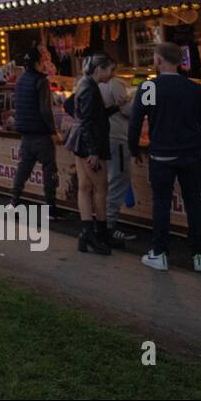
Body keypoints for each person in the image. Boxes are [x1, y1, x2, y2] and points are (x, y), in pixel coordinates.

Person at [128, 42, 201, 273]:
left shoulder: (149, 88)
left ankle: (159, 252)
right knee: (194, 202)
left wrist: (134, 150)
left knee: (162, 203)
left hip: (162, 154)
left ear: (158, 61)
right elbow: (199, 122)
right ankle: (200, 255)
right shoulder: (194, 88)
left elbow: (136, 122)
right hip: (190, 153)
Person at [71, 53, 118, 255]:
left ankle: (87, 233)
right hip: (90, 145)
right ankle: (100, 232)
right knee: (100, 189)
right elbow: (90, 121)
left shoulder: (84, 84)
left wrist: (116, 107)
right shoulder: (90, 89)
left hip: (79, 142)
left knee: (85, 187)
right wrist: (93, 151)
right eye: (110, 70)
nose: (112, 74)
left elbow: (89, 116)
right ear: (100, 69)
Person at [9, 48, 60, 215]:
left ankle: (14, 201)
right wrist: (53, 131)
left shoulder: (20, 81)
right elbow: (45, 110)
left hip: (25, 133)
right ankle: (51, 208)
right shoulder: (41, 81)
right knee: (49, 169)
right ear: (38, 63)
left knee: (23, 167)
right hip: (41, 133)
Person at [101, 71, 135, 243]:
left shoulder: (93, 84)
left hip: (103, 138)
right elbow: (129, 111)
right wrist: (134, 100)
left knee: (108, 183)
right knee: (118, 180)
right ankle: (109, 227)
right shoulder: (115, 84)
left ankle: (103, 224)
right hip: (118, 138)